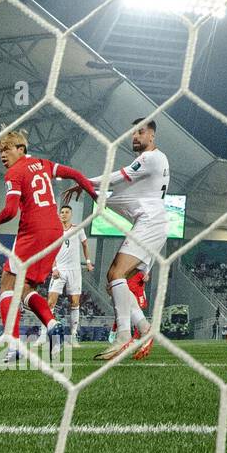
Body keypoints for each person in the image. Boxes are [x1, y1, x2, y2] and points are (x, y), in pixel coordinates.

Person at [65, 118, 168, 362]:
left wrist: (83, 180)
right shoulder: (154, 161)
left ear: (151, 136)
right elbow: (121, 192)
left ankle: (123, 337)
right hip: (151, 223)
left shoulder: (149, 158)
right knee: (113, 279)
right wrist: (88, 187)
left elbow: (116, 178)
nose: (135, 137)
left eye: (140, 132)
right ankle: (144, 329)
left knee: (115, 276)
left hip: (150, 223)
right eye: (133, 133)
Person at [0, 129, 97, 363]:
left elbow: (10, 211)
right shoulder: (43, 164)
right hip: (55, 232)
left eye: (6, 149)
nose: (2, 155)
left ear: (21, 149)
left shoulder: (14, 173)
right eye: (0, 151)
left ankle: (13, 343)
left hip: (33, 230)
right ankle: (52, 324)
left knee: (7, 283)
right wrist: (95, 195)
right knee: (26, 288)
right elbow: (77, 174)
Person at [47, 204, 93, 347]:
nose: (64, 214)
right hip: (59, 270)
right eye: (62, 212)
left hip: (74, 270)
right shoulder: (54, 230)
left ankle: (73, 335)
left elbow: (85, 245)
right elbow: (50, 250)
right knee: (50, 302)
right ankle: (44, 334)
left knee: (75, 302)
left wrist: (88, 262)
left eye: (67, 212)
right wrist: (53, 267)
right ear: (59, 214)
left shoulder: (77, 229)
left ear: (71, 214)